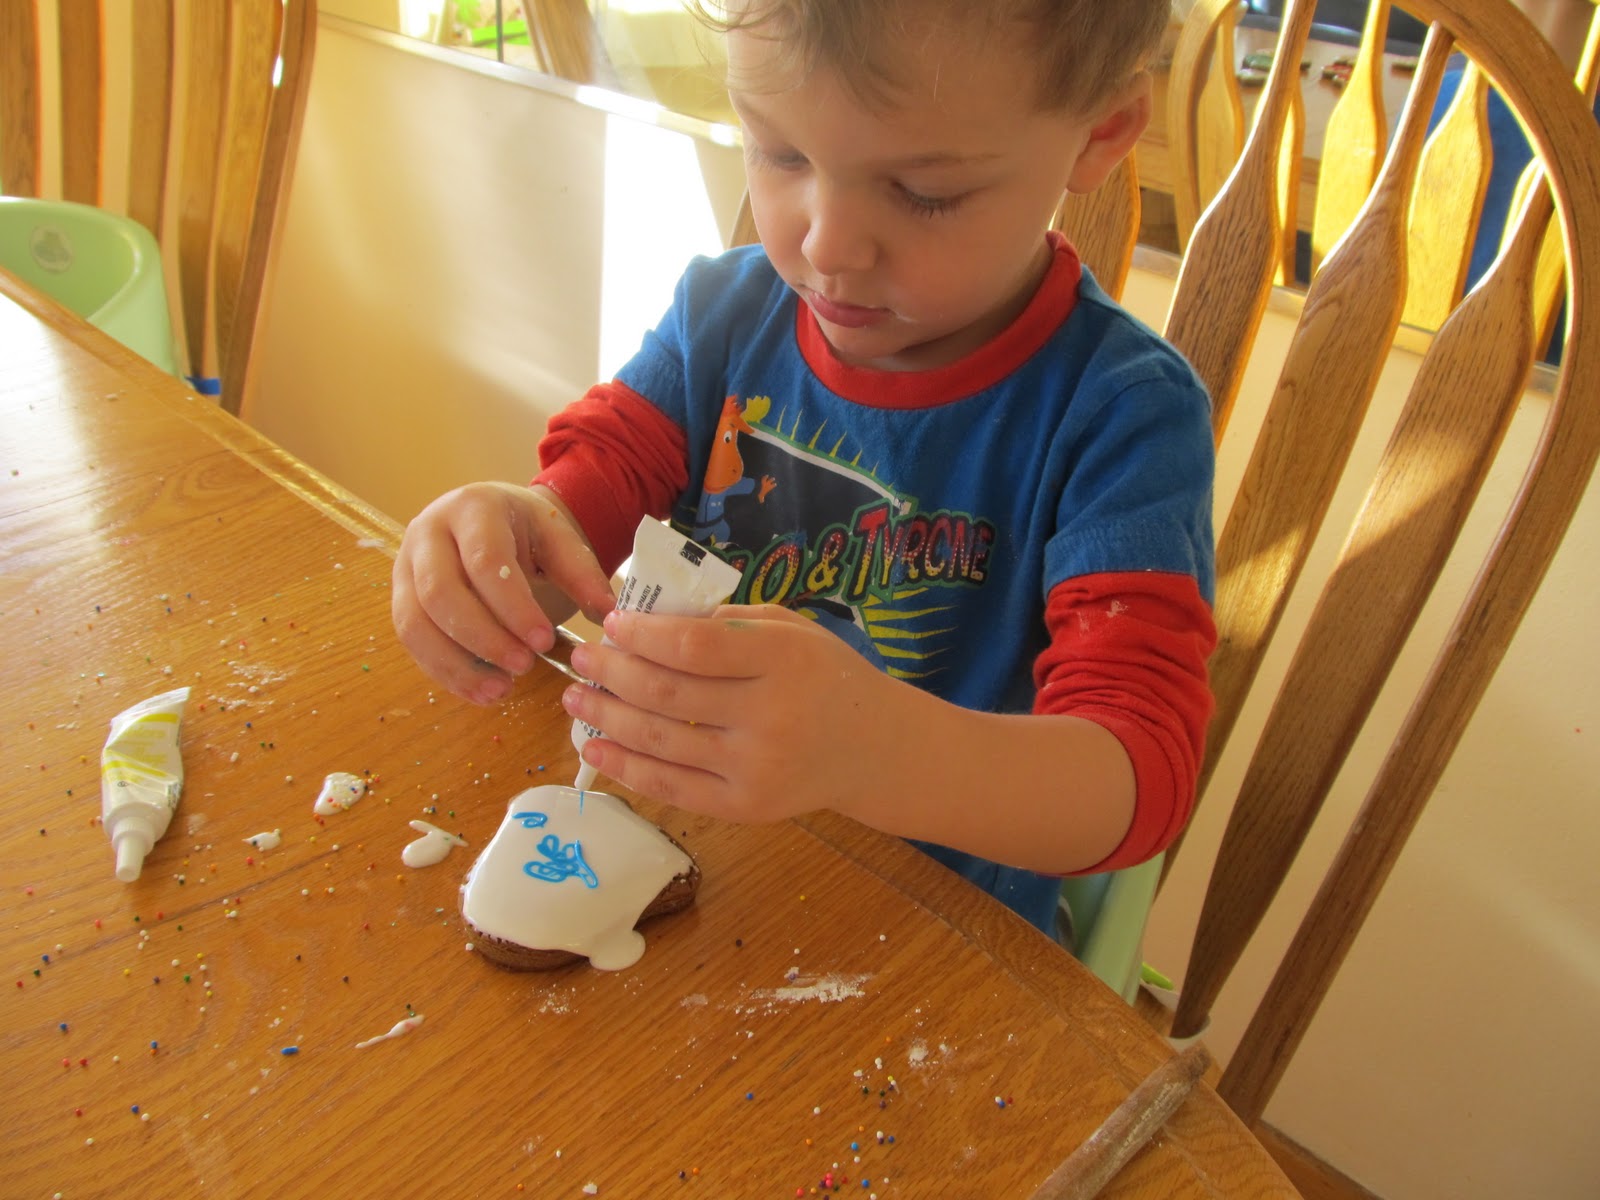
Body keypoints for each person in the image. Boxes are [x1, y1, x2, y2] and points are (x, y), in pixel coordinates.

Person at [391, 0, 1218, 939]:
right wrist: (506, 548)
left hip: (927, 953)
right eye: (781, 153)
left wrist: (874, 751)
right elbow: (588, 502)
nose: (826, 247)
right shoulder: (723, 319)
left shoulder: (1120, 416)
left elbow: (1138, 775)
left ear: (1100, 133)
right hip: (686, 876)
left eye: (923, 193)